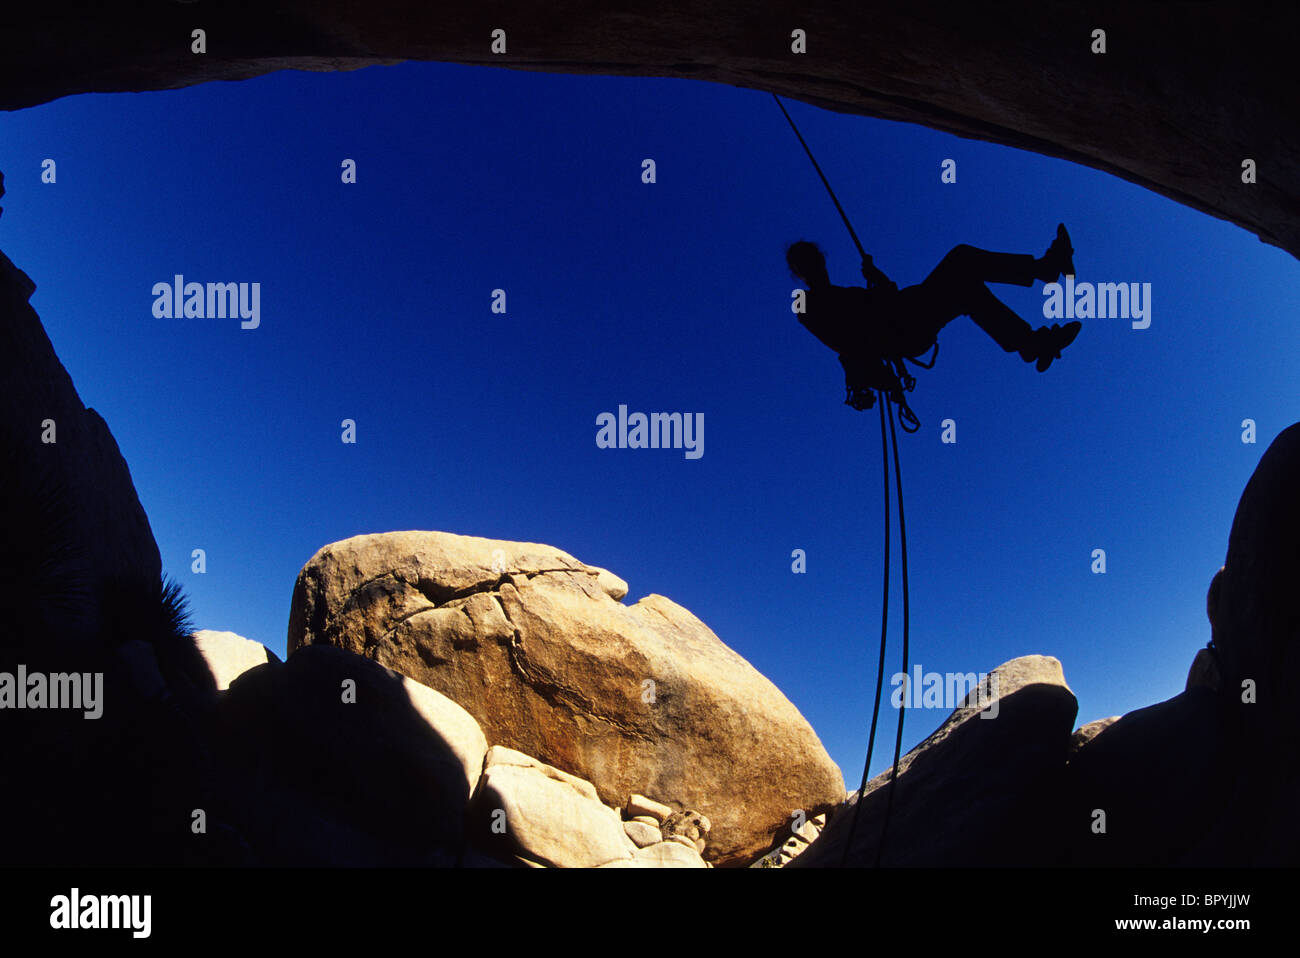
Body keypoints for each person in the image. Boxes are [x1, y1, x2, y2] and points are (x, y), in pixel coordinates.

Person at [787, 226, 1083, 405]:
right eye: (807, 264)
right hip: (903, 327)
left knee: (967, 286)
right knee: (962, 260)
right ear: (800, 273)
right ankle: (1044, 274)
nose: (815, 266)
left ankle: (1031, 343)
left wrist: (877, 277)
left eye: (814, 260)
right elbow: (841, 340)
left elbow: (888, 294)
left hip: (907, 316)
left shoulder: (845, 293)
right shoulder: (806, 303)